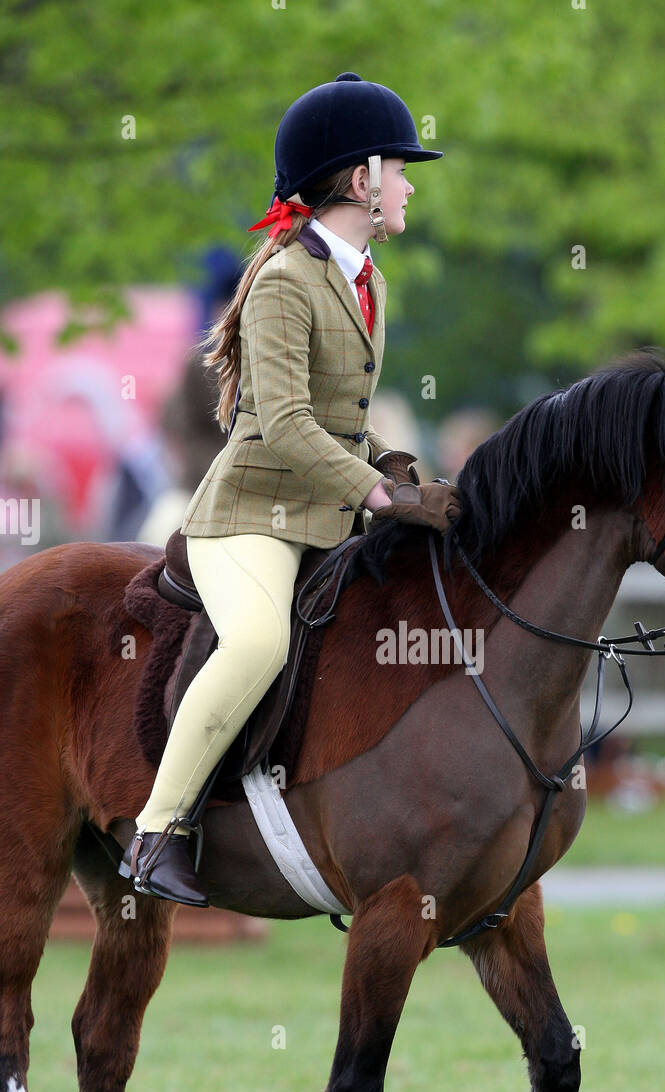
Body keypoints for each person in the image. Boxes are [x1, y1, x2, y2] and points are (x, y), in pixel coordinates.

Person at [120, 72, 460, 906]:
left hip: (324, 509)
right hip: (251, 518)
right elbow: (281, 421)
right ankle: (158, 829)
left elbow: (341, 417)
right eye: (401, 170)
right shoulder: (283, 282)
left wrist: (389, 463)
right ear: (359, 183)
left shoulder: (364, 277)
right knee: (260, 643)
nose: (411, 184)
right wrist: (377, 498)